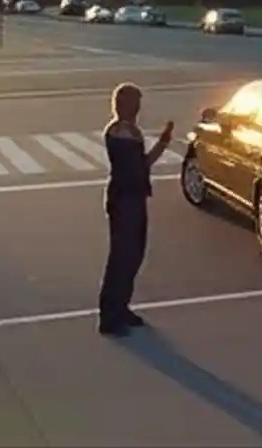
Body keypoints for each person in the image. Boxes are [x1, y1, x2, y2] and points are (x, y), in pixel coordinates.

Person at [98, 82, 174, 336]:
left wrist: (163, 142)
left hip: (133, 197)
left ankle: (121, 307)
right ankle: (110, 316)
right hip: (125, 200)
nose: (139, 108)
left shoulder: (128, 130)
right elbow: (137, 165)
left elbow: (144, 164)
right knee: (122, 258)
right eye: (135, 103)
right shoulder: (120, 130)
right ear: (126, 105)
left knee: (133, 256)